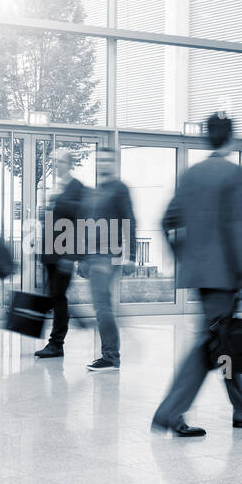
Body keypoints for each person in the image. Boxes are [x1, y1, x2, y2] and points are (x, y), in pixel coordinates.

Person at [152, 113, 242, 438]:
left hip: (201, 275)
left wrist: (186, 258)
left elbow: (167, 220)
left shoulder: (191, 174)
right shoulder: (233, 173)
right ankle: (169, 412)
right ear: (231, 139)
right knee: (210, 343)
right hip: (225, 278)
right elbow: (235, 229)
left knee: (224, 343)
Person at [83, 146, 135, 371]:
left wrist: (131, 255)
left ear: (115, 164)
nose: (102, 164)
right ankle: (110, 354)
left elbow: (129, 220)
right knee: (101, 306)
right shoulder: (98, 190)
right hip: (95, 255)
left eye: (107, 160)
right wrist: (83, 257)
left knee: (102, 306)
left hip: (108, 255)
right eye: (99, 160)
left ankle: (111, 356)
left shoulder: (119, 189)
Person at [34, 149, 87, 359]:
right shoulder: (55, 187)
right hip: (50, 251)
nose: (55, 165)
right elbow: (55, 218)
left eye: (59, 162)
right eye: (53, 161)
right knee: (54, 295)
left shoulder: (77, 188)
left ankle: (56, 343)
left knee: (57, 296)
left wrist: (71, 256)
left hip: (63, 252)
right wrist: (44, 215)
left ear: (69, 164)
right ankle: (74, 324)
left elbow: (79, 222)